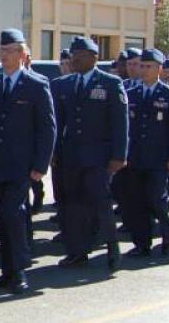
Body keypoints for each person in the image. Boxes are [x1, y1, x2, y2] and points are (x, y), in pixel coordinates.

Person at [0, 29, 55, 293]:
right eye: (1, 51)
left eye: (9, 51)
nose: (4, 56)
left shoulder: (36, 85)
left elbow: (47, 128)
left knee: (13, 214)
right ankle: (7, 270)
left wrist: (41, 165)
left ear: (21, 53)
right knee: (3, 218)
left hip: (23, 165)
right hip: (0, 164)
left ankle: (18, 271)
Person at [51, 36, 127, 270]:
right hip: (70, 156)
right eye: (73, 55)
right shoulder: (62, 84)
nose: (74, 59)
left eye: (80, 55)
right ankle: (78, 251)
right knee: (73, 206)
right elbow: (56, 122)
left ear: (94, 57)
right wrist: (53, 152)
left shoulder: (110, 83)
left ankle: (112, 248)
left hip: (99, 157)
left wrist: (119, 155)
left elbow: (120, 123)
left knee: (100, 204)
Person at [119, 49, 169, 257]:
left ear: (159, 69)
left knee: (156, 199)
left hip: (159, 159)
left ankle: (167, 235)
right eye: (142, 66)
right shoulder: (131, 93)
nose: (144, 70)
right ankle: (142, 243)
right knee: (137, 202)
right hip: (135, 158)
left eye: (149, 67)